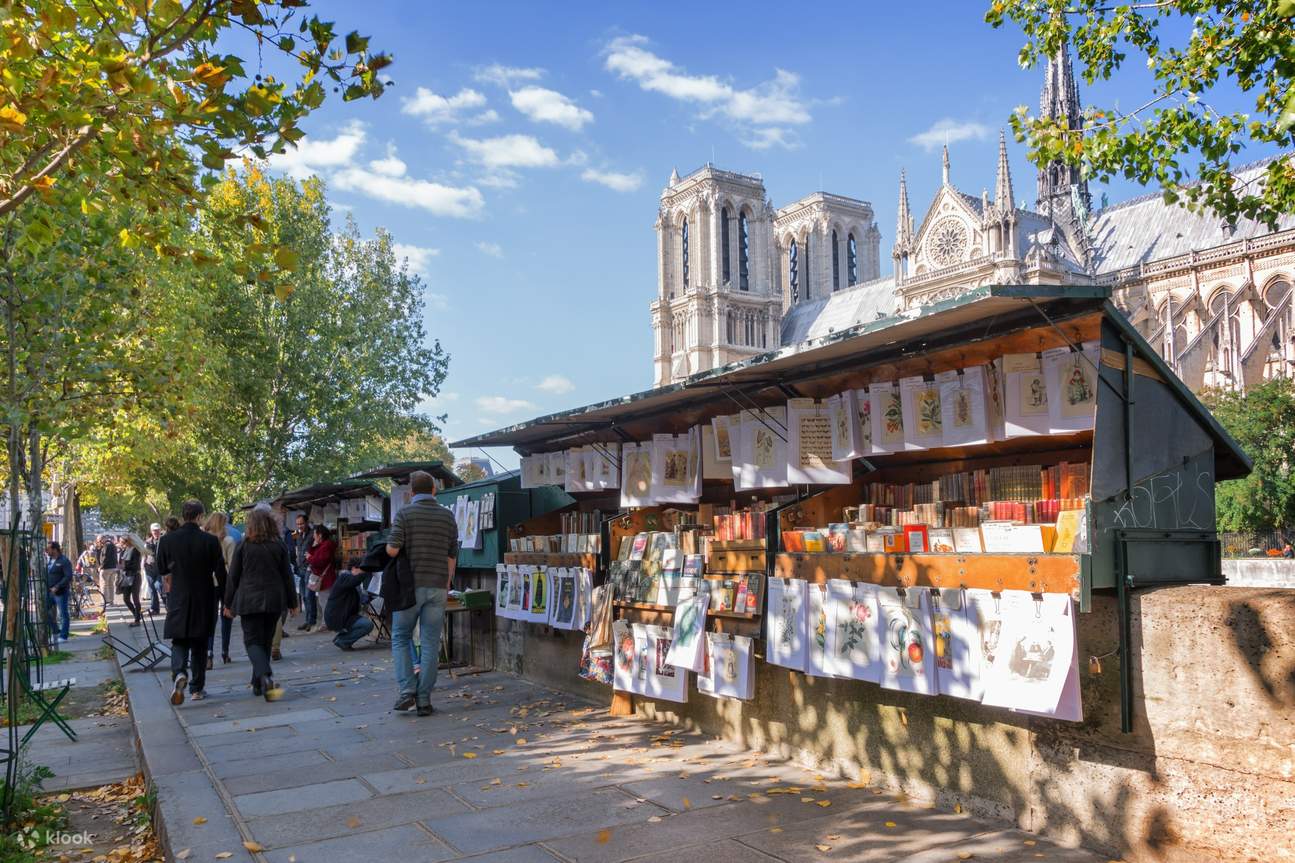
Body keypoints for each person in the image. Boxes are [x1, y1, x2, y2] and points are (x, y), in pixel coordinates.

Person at [385, 470, 458, 716]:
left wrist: (388, 545)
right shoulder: (448, 517)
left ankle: (407, 691)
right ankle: (424, 699)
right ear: (434, 490)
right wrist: (447, 582)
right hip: (437, 586)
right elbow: (452, 555)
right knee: (430, 642)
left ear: (411, 492)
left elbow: (393, 550)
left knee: (400, 636)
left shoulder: (404, 514)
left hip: (409, 588)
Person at [157, 499, 227, 704]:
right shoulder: (211, 541)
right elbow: (220, 572)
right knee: (200, 643)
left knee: (179, 640)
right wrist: (225, 598)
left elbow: (162, 568)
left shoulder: (168, 540)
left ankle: (179, 673)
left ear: (183, 515)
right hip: (204, 596)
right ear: (199, 517)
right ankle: (197, 688)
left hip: (179, 595)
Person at [224, 506, 297, 700]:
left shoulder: (243, 545)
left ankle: (265, 675)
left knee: (252, 641)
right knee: (265, 640)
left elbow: (233, 577)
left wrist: (228, 603)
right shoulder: (279, 545)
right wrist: (293, 602)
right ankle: (259, 685)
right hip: (274, 600)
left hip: (249, 600)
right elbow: (287, 575)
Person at [204, 512, 237, 665]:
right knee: (226, 617)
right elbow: (232, 568)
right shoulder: (228, 540)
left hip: (208, 583)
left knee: (210, 619)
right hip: (225, 583)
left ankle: (209, 653)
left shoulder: (203, 540)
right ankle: (225, 651)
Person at [325, 557, 375, 651]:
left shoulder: (348, 579)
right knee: (367, 625)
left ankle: (341, 638)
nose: (361, 573)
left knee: (365, 623)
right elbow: (355, 581)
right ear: (353, 568)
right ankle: (343, 641)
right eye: (361, 570)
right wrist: (366, 572)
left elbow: (360, 596)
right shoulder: (345, 577)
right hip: (338, 617)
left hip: (345, 616)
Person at [304, 524, 338, 633]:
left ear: (320, 535)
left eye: (315, 534)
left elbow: (320, 561)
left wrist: (310, 558)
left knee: (325, 602)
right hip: (324, 578)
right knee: (323, 601)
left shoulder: (326, 545)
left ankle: (327, 623)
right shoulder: (323, 544)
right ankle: (326, 623)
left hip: (326, 578)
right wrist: (313, 547)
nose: (314, 536)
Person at [45, 541, 74, 642]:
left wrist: (58, 586)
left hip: (60, 592)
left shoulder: (64, 561)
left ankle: (63, 636)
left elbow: (68, 576)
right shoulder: (49, 561)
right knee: (44, 610)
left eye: (48, 549)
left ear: (54, 549)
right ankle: (55, 631)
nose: (47, 551)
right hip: (49, 592)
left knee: (63, 614)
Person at [292, 515, 315, 630]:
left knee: (308, 595)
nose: (299, 526)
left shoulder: (312, 535)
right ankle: (308, 620)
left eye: (301, 523)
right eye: (298, 524)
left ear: (307, 522)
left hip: (309, 569)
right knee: (304, 596)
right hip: (300, 569)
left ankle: (311, 620)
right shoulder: (298, 535)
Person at [117, 535, 143, 626]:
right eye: (121, 542)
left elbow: (136, 565)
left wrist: (124, 566)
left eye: (123, 542)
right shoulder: (123, 551)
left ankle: (137, 620)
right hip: (126, 576)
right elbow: (121, 563)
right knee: (126, 599)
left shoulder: (135, 550)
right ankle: (137, 614)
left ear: (129, 542)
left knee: (135, 598)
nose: (122, 544)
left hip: (135, 576)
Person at [145, 523, 165, 614]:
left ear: (160, 530)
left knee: (159, 586)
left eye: (157, 530)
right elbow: (144, 553)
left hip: (160, 567)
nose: (156, 532)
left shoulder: (164, 540)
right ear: (151, 531)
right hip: (149, 567)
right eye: (154, 530)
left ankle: (167, 605)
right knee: (151, 588)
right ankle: (154, 608)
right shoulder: (148, 541)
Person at [97, 533, 119, 609]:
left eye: (99, 540)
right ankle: (111, 601)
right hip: (113, 567)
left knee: (104, 585)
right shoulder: (113, 545)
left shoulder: (106, 545)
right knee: (111, 585)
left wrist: (101, 566)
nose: (99, 542)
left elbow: (105, 557)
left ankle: (105, 601)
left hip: (106, 568)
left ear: (103, 539)